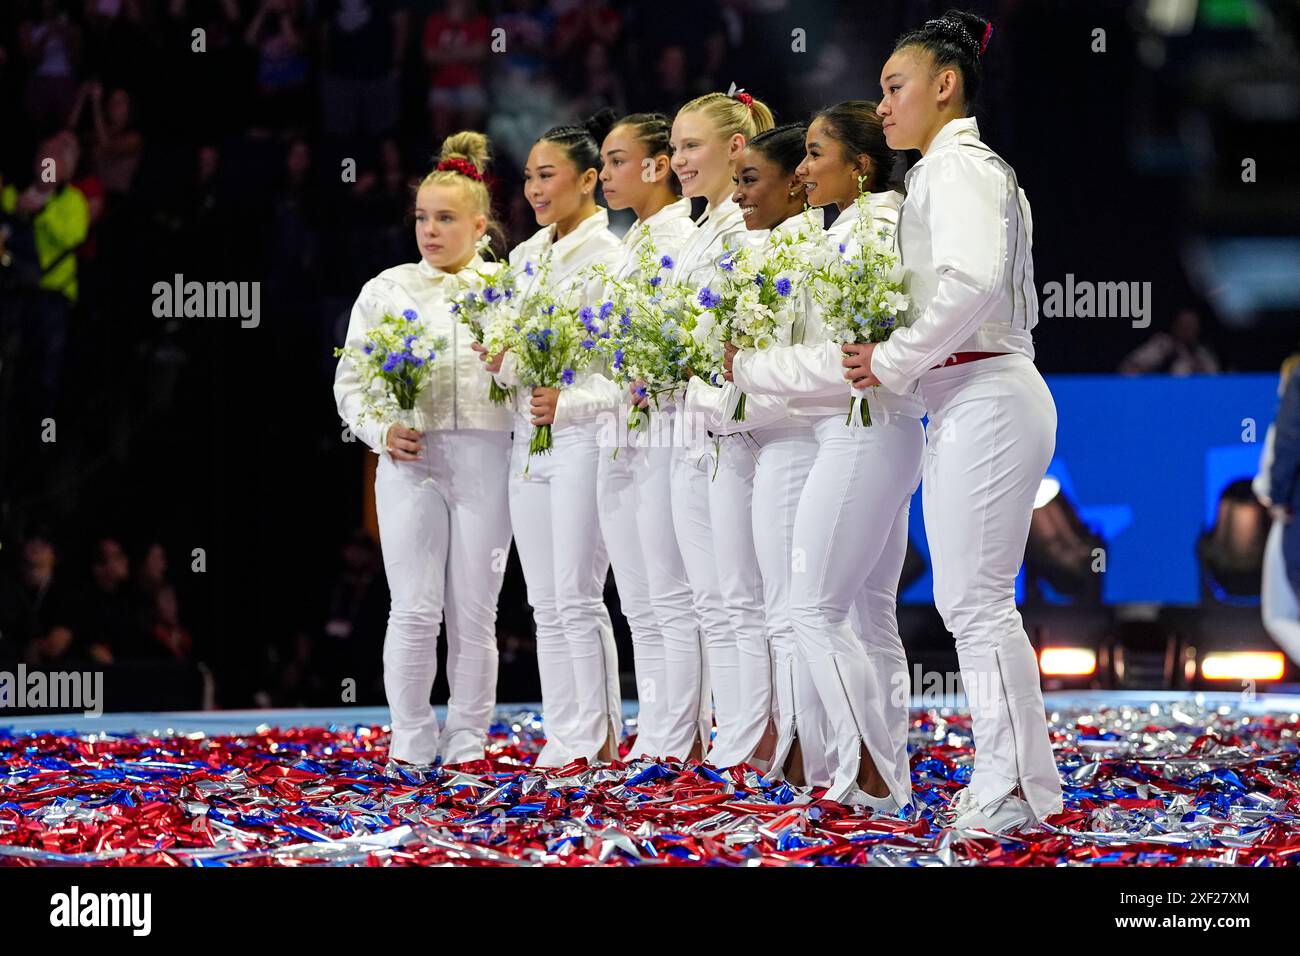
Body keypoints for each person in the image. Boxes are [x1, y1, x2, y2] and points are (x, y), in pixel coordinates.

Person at [843, 11, 1062, 832]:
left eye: (895, 87)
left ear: (945, 85)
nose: (884, 105)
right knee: (974, 601)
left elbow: (970, 283)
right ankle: (1022, 788)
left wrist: (892, 360)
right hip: (973, 393)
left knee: (975, 603)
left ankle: (1012, 790)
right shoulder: (942, 171)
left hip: (988, 391)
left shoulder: (957, 167)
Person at [727, 103, 924, 808]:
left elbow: (842, 364)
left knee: (811, 609)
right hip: (874, 430)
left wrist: (748, 368)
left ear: (861, 166)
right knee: (867, 616)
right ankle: (874, 772)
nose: (803, 169)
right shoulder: (851, 231)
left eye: (815, 154)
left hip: (860, 428)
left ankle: (864, 772)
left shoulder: (872, 236)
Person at [334, 131, 513, 766]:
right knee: (413, 608)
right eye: (421, 218)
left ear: (479, 224)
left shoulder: (507, 288)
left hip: (489, 458)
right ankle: (409, 741)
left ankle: (467, 743)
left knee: (475, 612)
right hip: (409, 460)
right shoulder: (387, 289)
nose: (429, 231)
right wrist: (381, 429)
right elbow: (351, 380)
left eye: (444, 219)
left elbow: (535, 374)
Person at [477, 112, 625, 768]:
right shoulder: (527, 256)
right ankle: (565, 734)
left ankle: (596, 738)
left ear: (589, 179)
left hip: (585, 437)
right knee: (543, 598)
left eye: (548, 176)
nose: (534, 190)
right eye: (529, 177)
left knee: (576, 591)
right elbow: (509, 359)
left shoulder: (612, 256)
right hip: (527, 440)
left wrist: (570, 399)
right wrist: (499, 357)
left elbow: (631, 372)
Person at [638, 87, 774, 761]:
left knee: (737, 596)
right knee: (707, 600)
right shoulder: (699, 229)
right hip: (686, 430)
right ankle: (720, 741)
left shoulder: (742, 229)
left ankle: (752, 744)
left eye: (692, 145)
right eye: (675, 146)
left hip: (731, 430)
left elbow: (738, 335)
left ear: (736, 147)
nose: (678, 159)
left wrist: (694, 375)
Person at [695, 122, 820, 774]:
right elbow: (714, 359)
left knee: (790, 607)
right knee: (742, 601)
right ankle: (763, 744)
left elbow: (787, 373)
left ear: (795, 183)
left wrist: (714, 398)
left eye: (749, 180)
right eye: (736, 180)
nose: (737, 195)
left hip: (791, 441)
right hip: (741, 440)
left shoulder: (804, 255)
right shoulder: (746, 253)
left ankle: (805, 753)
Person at [595, 112, 698, 760]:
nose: (605, 175)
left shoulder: (685, 234)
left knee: (671, 591)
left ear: (656, 165)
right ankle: (659, 727)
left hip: (672, 426)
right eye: (602, 162)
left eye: (616, 160)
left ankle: (684, 737)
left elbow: (692, 337)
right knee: (639, 599)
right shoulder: (630, 239)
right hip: (626, 431)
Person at [1253, 352, 1300, 666]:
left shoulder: (1297, 379)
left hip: (1292, 512)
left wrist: (1277, 496)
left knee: (1279, 614)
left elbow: (1287, 441)